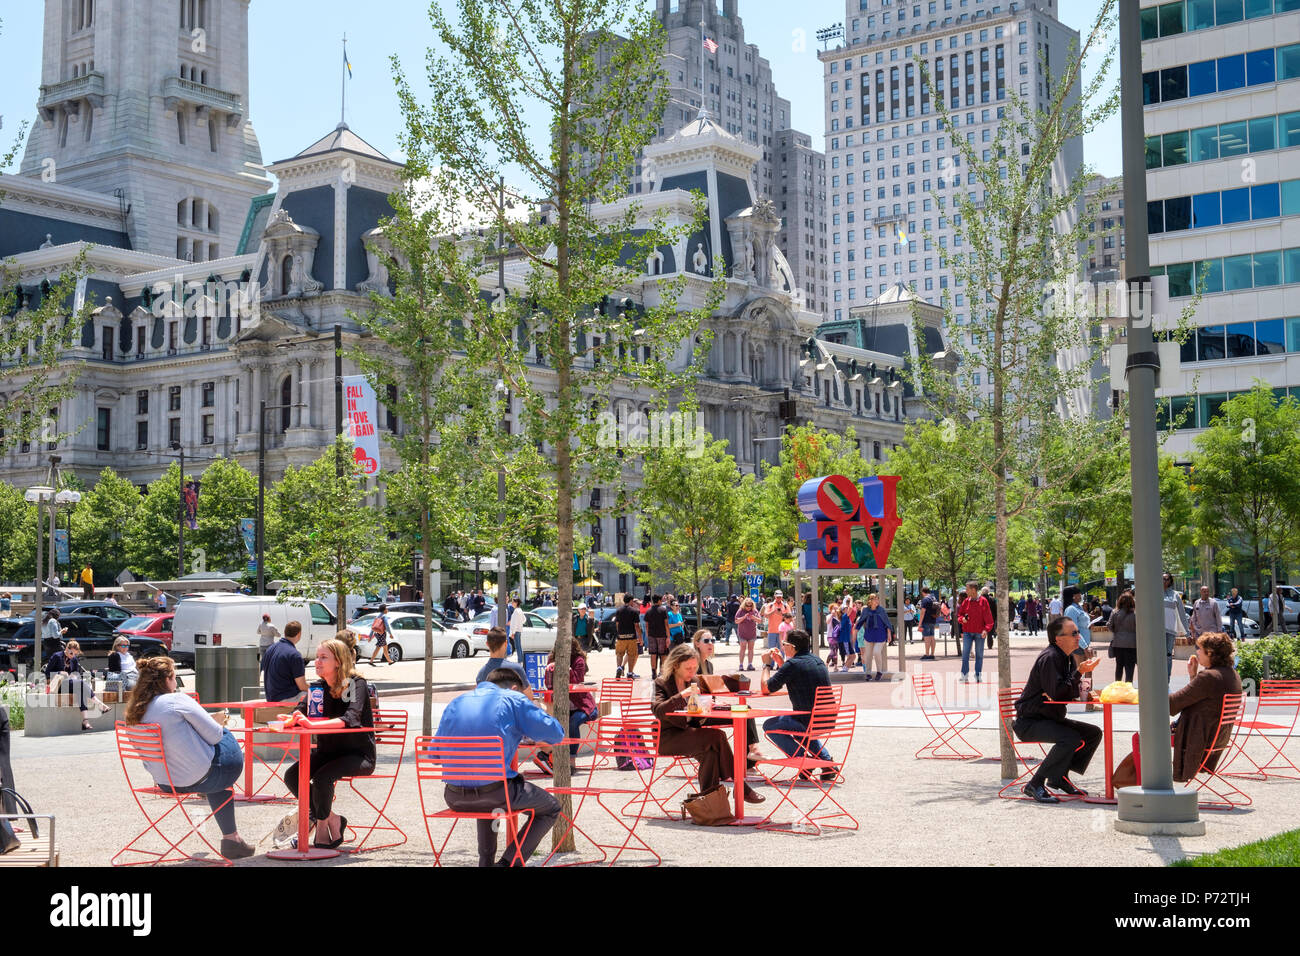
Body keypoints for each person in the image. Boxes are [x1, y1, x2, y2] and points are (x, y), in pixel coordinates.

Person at [125, 656, 254, 857]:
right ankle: (231, 839)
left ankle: (232, 839)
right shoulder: (176, 699)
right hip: (203, 776)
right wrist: (218, 725)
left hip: (166, 782)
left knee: (212, 768)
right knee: (222, 734)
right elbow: (215, 735)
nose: (176, 683)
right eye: (175, 678)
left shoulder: (135, 711)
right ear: (167, 679)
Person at [436, 667, 565, 866]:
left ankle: (486, 863)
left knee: (490, 799)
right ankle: (507, 863)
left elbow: (436, 756)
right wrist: (533, 706)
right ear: (514, 688)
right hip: (497, 793)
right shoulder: (513, 699)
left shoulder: (457, 702)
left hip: (454, 796)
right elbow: (556, 734)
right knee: (551, 808)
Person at [277, 639, 375, 849]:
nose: (317, 662)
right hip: (328, 752)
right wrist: (289, 718)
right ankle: (331, 818)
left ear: (338, 662)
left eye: (323, 658)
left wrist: (310, 726)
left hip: (357, 754)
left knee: (321, 779)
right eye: (317, 657)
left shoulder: (353, 683)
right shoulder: (318, 687)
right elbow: (299, 711)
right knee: (293, 776)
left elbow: (351, 718)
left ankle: (321, 826)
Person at [652, 644, 764, 805]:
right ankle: (741, 786)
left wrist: (714, 705)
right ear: (675, 665)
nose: (692, 672)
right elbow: (658, 711)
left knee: (713, 750)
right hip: (668, 737)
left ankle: (710, 804)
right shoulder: (661, 683)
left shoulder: (695, 680)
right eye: (688, 668)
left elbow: (701, 707)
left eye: (694, 668)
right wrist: (682, 695)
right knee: (716, 736)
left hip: (691, 731)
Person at [1012, 616, 1104, 803]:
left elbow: (1065, 692)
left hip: (1048, 718)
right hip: (1030, 722)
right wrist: (1078, 673)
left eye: (1078, 632)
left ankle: (1059, 776)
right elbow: (1059, 693)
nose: (1078, 637)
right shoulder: (1051, 657)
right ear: (1058, 638)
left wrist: (1077, 679)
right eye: (1074, 633)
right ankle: (1035, 783)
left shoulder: (1065, 657)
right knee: (1069, 738)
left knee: (1092, 733)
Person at [757, 629, 835, 780]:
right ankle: (826, 762)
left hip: (807, 720)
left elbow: (765, 688)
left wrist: (767, 664)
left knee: (770, 725)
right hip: (826, 719)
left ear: (792, 647)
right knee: (797, 728)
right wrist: (781, 663)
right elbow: (796, 674)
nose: (782, 646)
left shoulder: (792, 665)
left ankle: (803, 762)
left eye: (784, 643)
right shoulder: (817, 660)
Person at [1169, 631, 1242, 782]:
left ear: (1210, 652)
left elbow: (1173, 704)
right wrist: (1193, 675)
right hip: (1218, 737)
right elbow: (1197, 699)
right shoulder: (1232, 674)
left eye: (1199, 649)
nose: (1197, 652)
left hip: (1198, 738)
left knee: (1143, 738)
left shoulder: (1209, 677)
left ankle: (1146, 787)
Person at [541, 638, 597, 763]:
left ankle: (572, 760)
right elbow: (548, 682)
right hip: (562, 705)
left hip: (583, 706)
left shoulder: (578, 660)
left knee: (573, 722)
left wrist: (565, 668)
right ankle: (547, 754)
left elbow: (576, 681)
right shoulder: (552, 660)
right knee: (548, 721)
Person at [44, 640, 111, 731]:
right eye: (71, 653)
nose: (72, 656)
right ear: (66, 648)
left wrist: (73, 676)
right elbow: (47, 673)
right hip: (58, 685)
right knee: (81, 684)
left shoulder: (74, 659)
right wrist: (60, 672)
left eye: (75, 654)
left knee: (80, 689)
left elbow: (76, 673)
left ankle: (85, 721)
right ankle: (99, 704)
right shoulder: (57, 656)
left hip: (71, 684)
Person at [261, 620, 308, 703]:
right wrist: (317, 688)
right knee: (316, 695)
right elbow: (302, 686)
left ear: (285, 632)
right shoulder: (295, 655)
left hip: (271, 698)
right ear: (299, 634)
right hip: (286, 698)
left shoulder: (270, 649)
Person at [956, 581, 993, 683]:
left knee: (979, 655)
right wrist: (962, 619)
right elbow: (960, 615)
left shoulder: (983, 601)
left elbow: (989, 618)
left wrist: (986, 629)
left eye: (967, 589)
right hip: (967, 632)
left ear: (973, 590)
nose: (966, 591)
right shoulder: (966, 601)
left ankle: (978, 675)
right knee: (965, 654)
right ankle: (964, 676)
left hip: (980, 633)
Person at [856, 592, 892, 681]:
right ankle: (868, 673)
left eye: (877, 599)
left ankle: (879, 672)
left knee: (876, 652)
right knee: (868, 655)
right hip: (869, 635)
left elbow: (887, 622)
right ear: (870, 601)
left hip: (880, 635)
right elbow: (860, 622)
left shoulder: (881, 610)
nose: (877, 600)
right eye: (875, 599)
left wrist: (889, 633)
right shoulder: (866, 610)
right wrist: (854, 633)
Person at [1163, 572, 1189, 678]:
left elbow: (1182, 614)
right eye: (1162, 579)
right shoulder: (1154, 592)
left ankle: (1167, 678)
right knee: (1158, 655)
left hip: (1170, 629)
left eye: (1166, 579)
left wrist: (1187, 632)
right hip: (1157, 630)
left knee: (1168, 654)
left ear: (1170, 581)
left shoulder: (1175, 594)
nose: (1163, 581)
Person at [1108, 591, 1138, 683]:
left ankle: (1118, 686)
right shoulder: (1135, 613)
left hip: (1118, 643)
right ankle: (1128, 687)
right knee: (1130, 667)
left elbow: (1109, 625)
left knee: (1119, 666)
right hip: (1131, 644)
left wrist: (1116, 632)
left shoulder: (1115, 612)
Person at [613, 593, 642, 680]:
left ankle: (619, 667)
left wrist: (619, 633)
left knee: (619, 654)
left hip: (621, 637)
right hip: (631, 637)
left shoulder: (619, 610)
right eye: (632, 601)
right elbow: (637, 625)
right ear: (630, 601)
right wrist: (640, 637)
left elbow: (617, 623)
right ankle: (630, 673)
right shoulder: (634, 611)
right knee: (632, 655)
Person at [1063, 587, 1092, 662]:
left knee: (1087, 669)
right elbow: (1073, 630)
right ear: (1073, 596)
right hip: (1078, 645)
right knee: (1079, 670)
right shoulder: (1071, 609)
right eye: (1079, 594)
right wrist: (1085, 647)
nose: (1080, 595)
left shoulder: (1078, 607)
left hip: (1084, 643)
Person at [734, 597, 761, 671]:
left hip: (752, 633)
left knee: (751, 649)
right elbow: (736, 621)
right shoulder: (741, 611)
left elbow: (759, 620)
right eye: (747, 605)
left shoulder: (754, 611)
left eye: (750, 605)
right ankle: (741, 665)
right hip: (742, 633)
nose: (749, 607)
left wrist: (753, 617)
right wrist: (744, 617)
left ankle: (750, 664)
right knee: (743, 647)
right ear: (744, 605)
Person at [917, 586, 937, 660]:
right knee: (932, 637)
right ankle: (932, 654)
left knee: (927, 637)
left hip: (926, 620)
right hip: (933, 620)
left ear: (923, 592)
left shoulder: (925, 599)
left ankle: (927, 654)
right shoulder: (933, 598)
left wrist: (919, 623)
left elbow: (922, 612)